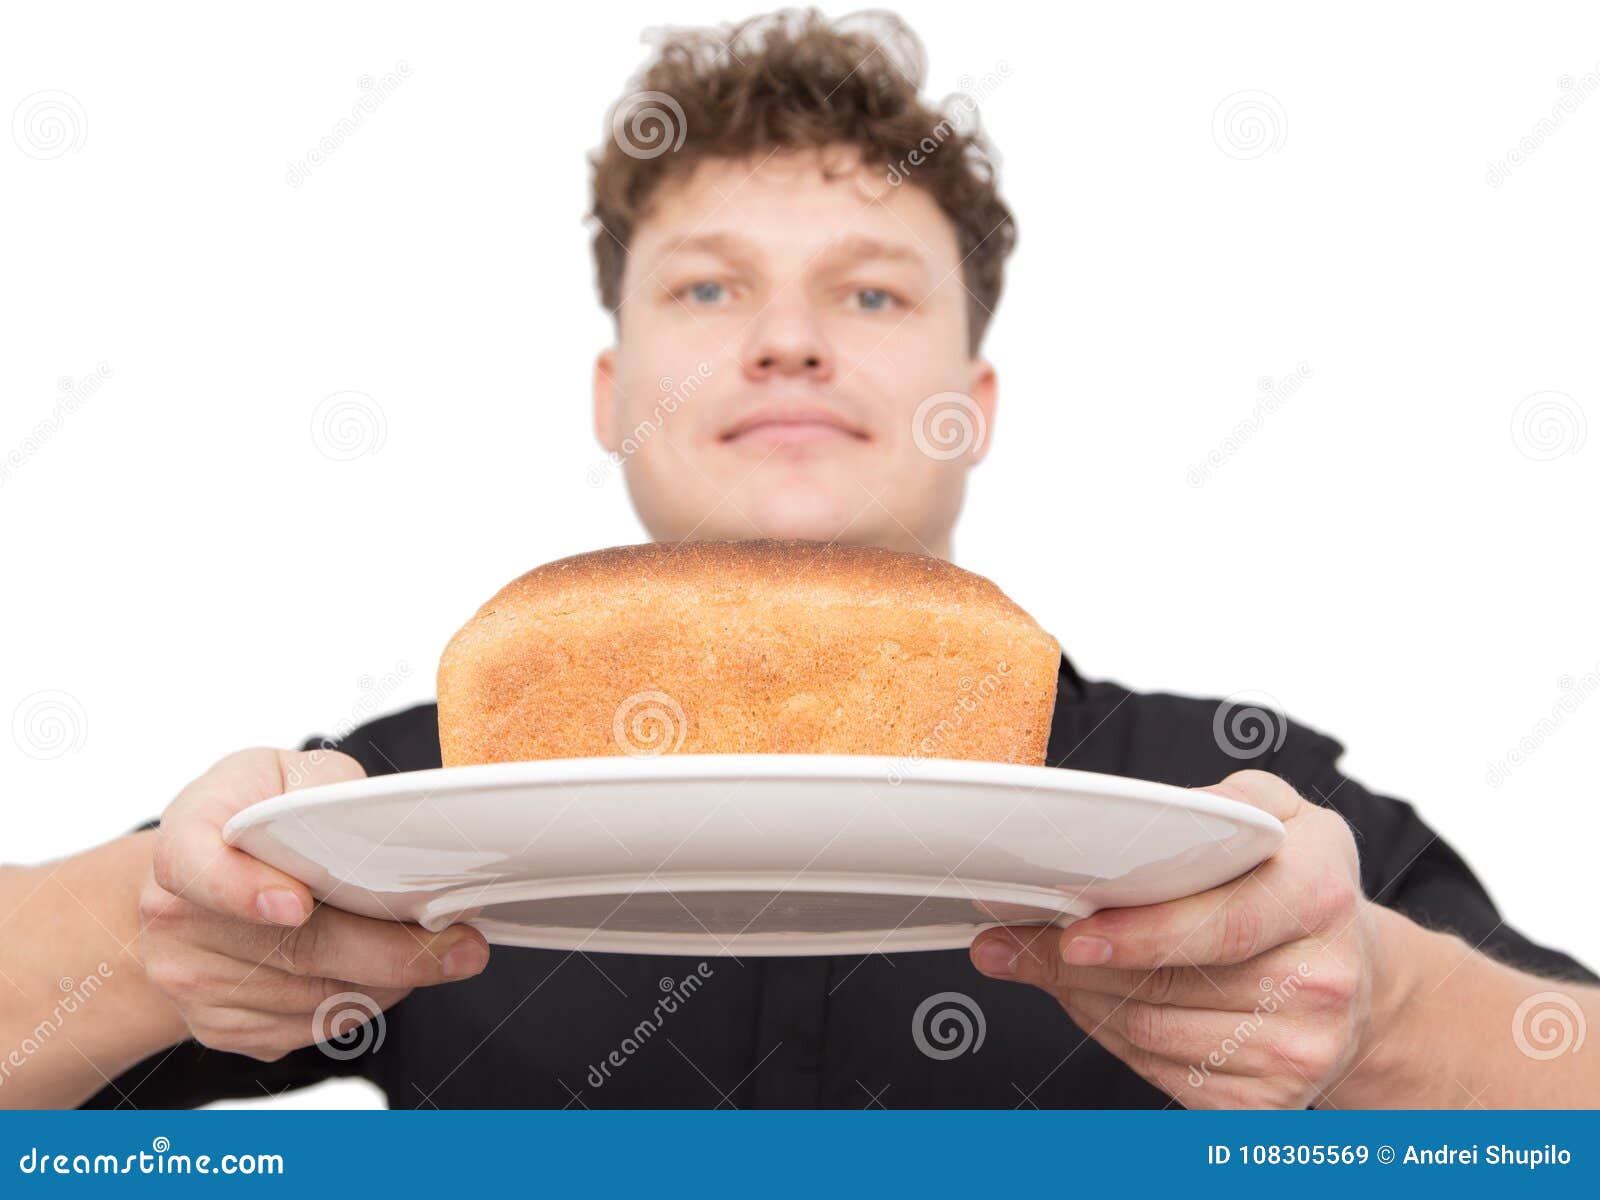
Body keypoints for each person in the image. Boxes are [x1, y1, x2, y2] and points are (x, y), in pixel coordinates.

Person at [2, 9, 1594, 1111]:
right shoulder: (387, 811)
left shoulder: (1237, 819)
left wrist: (1386, 1011)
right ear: (613, 395)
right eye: (707, 289)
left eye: (872, 293)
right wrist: (152, 936)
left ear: (976, 401)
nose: (783, 340)